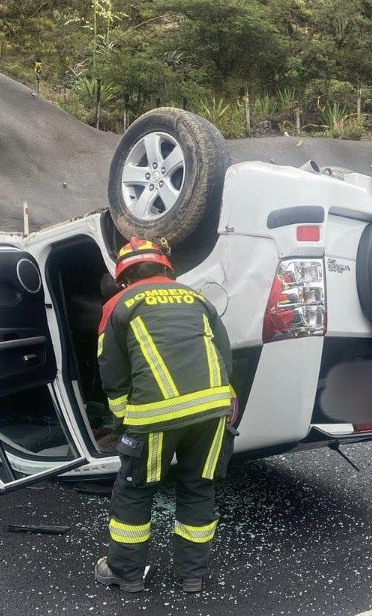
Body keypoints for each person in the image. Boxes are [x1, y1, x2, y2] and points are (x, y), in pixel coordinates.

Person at [94, 237, 236, 595]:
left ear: (123, 277)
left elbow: (112, 369)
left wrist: (122, 420)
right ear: (166, 269)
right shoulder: (197, 298)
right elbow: (224, 353)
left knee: (135, 490)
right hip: (213, 410)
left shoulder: (118, 303)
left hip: (156, 415)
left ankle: (125, 573)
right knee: (198, 486)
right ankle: (192, 576)